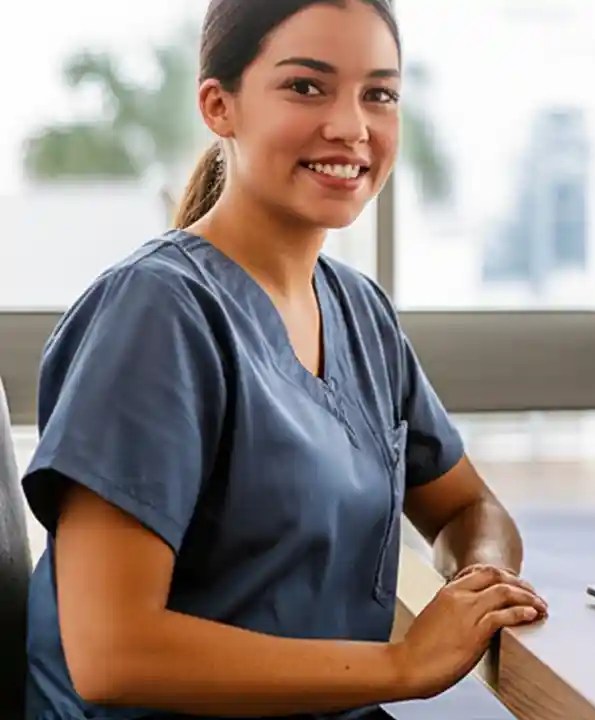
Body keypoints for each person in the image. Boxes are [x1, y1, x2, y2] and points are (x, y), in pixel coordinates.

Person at [20, 1, 548, 717]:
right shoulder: (156, 313)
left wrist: (479, 584)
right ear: (219, 106)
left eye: (379, 94)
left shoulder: (361, 313)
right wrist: (403, 662)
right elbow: (112, 652)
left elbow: (466, 504)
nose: (351, 126)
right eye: (306, 87)